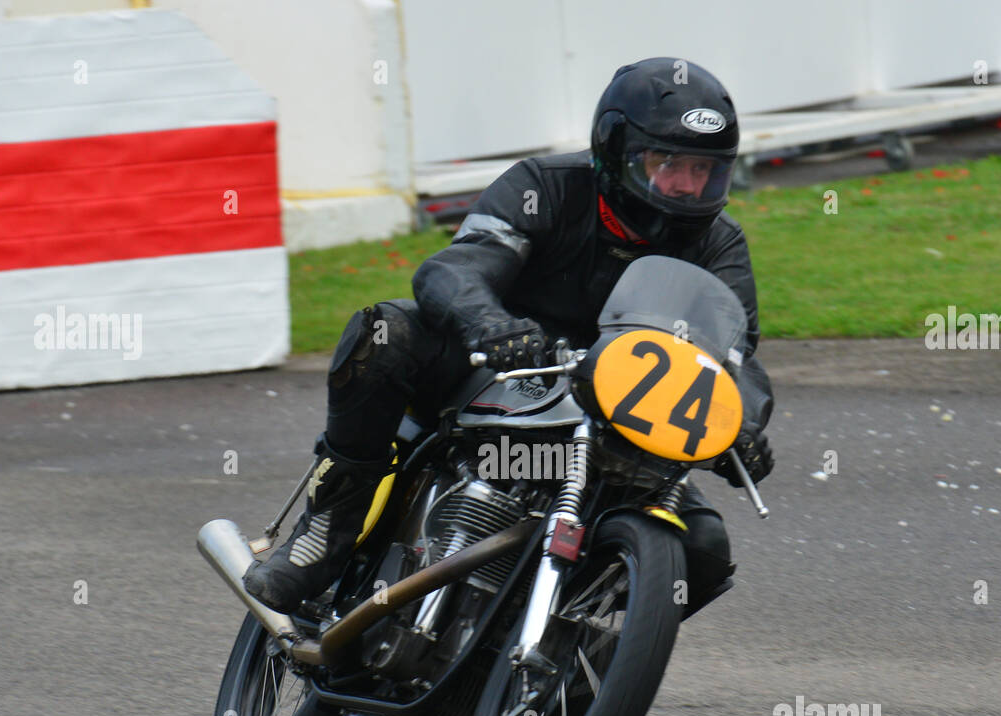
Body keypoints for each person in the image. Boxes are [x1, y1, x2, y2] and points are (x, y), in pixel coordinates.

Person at [244, 56, 775, 618]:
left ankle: (581, 659)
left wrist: (740, 420)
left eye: (703, 171)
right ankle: (329, 529)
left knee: (703, 552)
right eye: (668, 164)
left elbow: (737, 357)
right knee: (385, 331)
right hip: (493, 375)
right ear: (617, 153)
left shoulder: (719, 245)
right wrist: (491, 324)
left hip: (612, 423)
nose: (686, 187)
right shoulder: (545, 188)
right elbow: (453, 269)